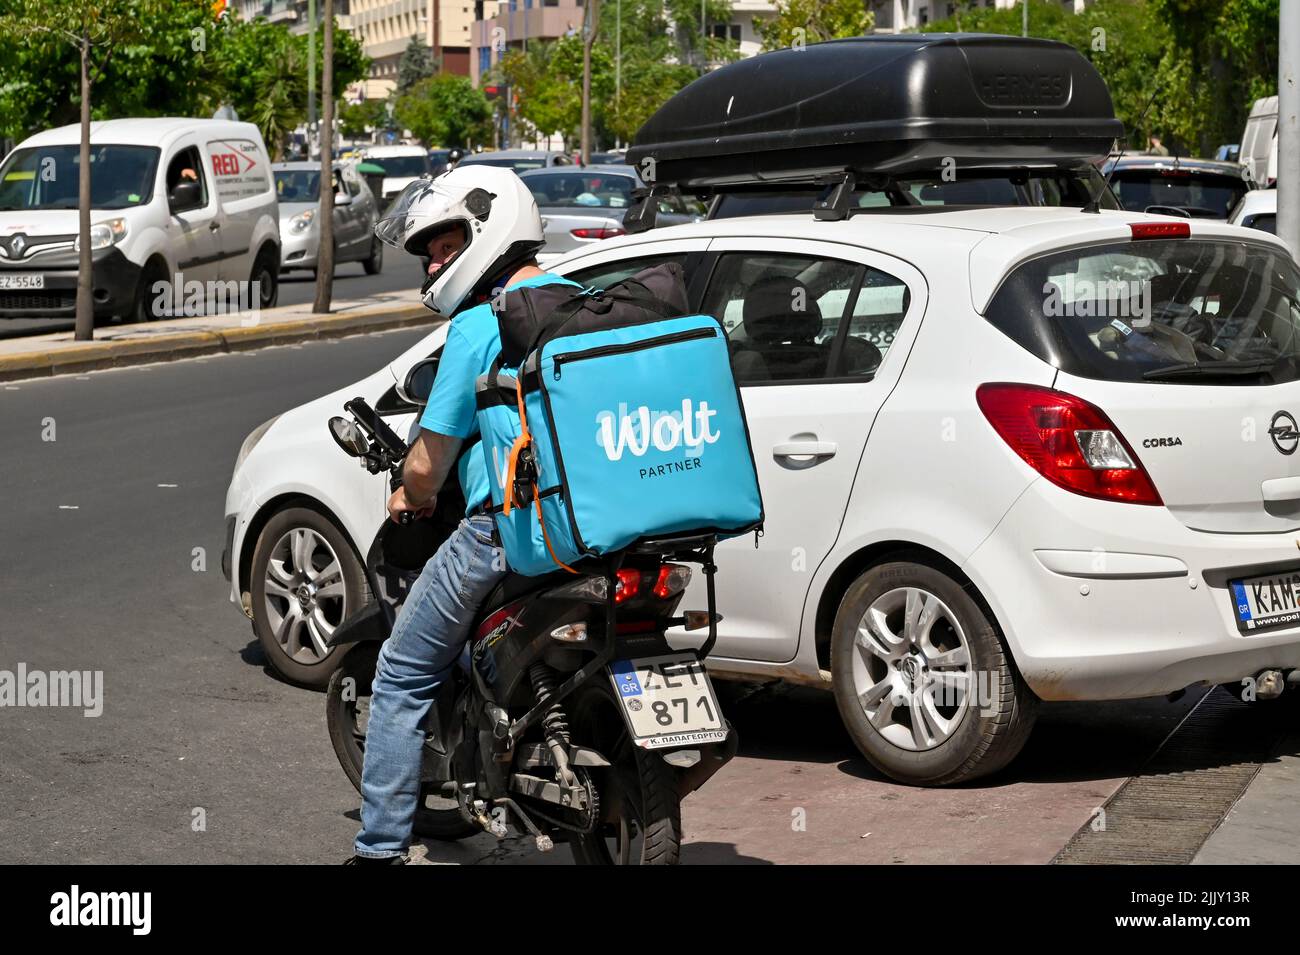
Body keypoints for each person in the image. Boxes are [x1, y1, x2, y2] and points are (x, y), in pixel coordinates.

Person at [346, 165, 580, 865]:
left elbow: (427, 465)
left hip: (503, 533)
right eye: (428, 253)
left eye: (445, 247)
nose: (434, 263)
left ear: (489, 230)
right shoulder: (578, 300)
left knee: (400, 672)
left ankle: (380, 850)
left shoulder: (481, 325)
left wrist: (408, 497)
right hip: (590, 527)